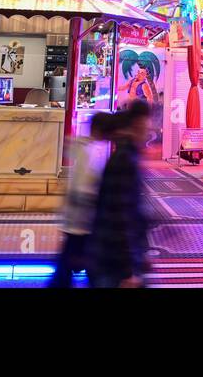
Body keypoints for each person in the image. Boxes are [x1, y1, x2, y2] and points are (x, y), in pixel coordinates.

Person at [90, 101, 151, 288]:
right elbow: (121, 217)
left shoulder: (126, 156)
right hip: (114, 263)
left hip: (110, 256)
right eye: (146, 125)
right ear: (137, 124)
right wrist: (128, 270)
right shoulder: (125, 160)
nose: (149, 131)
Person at [49, 112, 113, 288]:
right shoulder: (92, 151)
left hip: (76, 219)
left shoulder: (88, 147)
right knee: (78, 265)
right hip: (83, 221)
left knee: (69, 264)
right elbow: (83, 188)